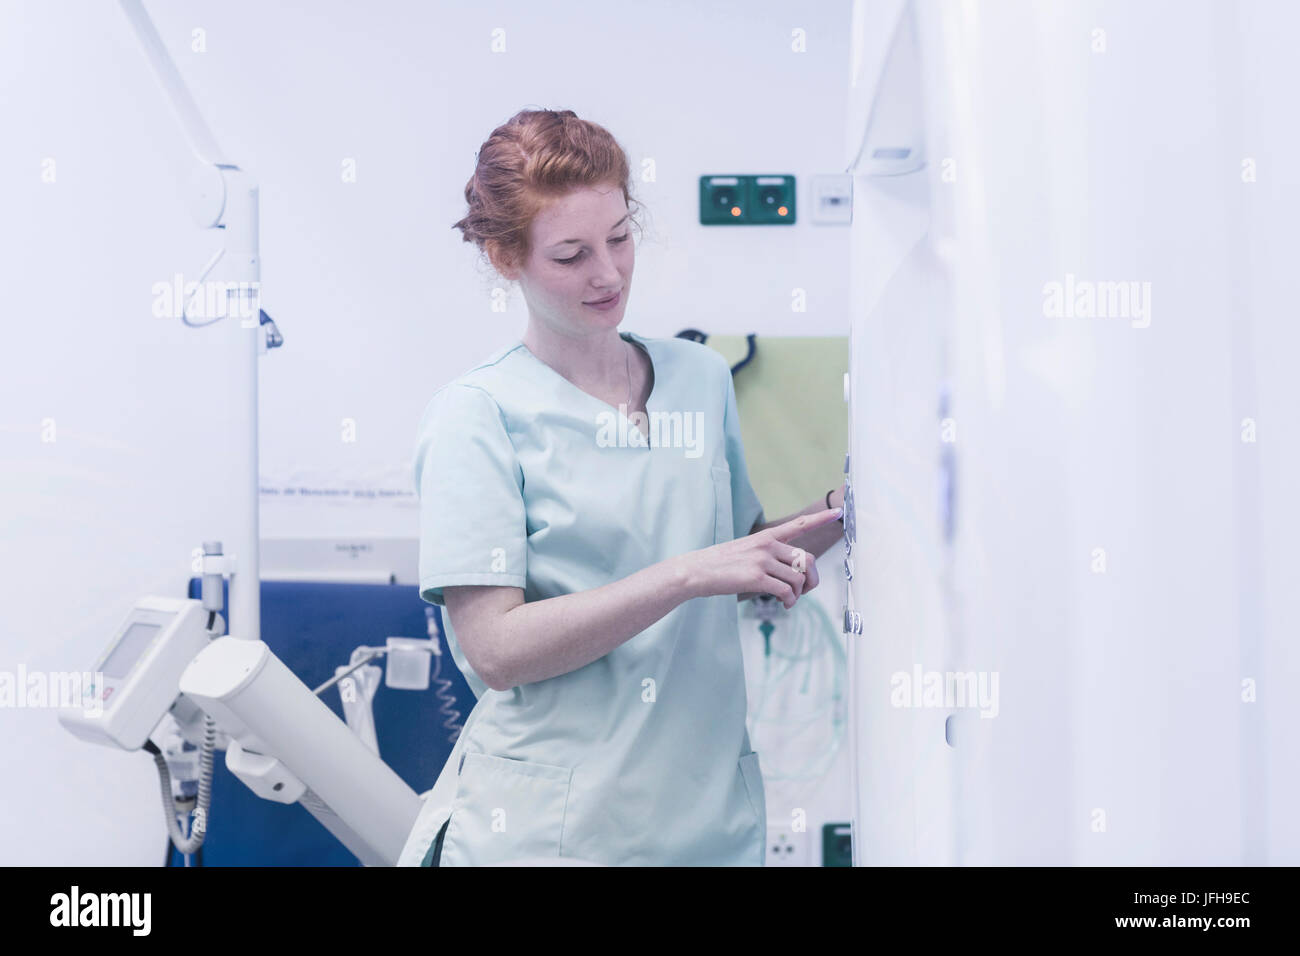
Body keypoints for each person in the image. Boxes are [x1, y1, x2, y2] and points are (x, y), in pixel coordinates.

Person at [397, 109, 846, 867]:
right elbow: (496, 651)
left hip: (708, 821)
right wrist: (683, 575)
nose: (607, 273)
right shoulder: (479, 416)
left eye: (619, 237)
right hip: (554, 833)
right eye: (571, 255)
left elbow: (741, 565)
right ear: (507, 259)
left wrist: (849, 509)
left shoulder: (698, 380)